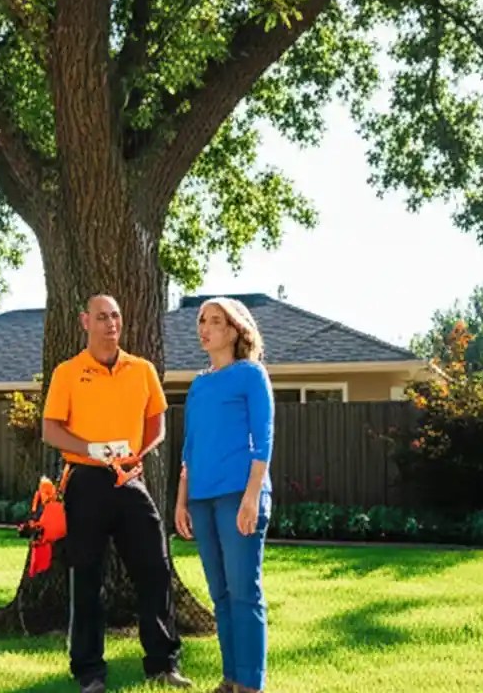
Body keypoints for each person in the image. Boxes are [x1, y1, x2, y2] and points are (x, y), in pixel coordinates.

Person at [41, 294, 193, 693]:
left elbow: (156, 422)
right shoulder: (68, 372)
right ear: (84, 322)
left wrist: (138, 455)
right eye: (102, 317)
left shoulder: (141, 370)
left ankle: (163, 664)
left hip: (130, 480)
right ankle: (89, 671)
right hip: (85, 479)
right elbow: (50, 430)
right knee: (87, 576)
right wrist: (89, 447)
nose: (110, 324)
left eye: (116, 317)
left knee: (155, 567)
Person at [173, 297, 274, 693]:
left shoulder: (251, 375)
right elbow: (190, 448)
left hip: (239, 496)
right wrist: (182, 500)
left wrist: (252, 497)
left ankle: (251, 684)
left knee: (244, 592)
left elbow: (263, 440)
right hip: (202, 499)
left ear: (235, 330)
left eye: (215, 321)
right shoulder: (199, 385)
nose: (205, 327)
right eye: (202, 320)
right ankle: (231, 679)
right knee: (221, 595)